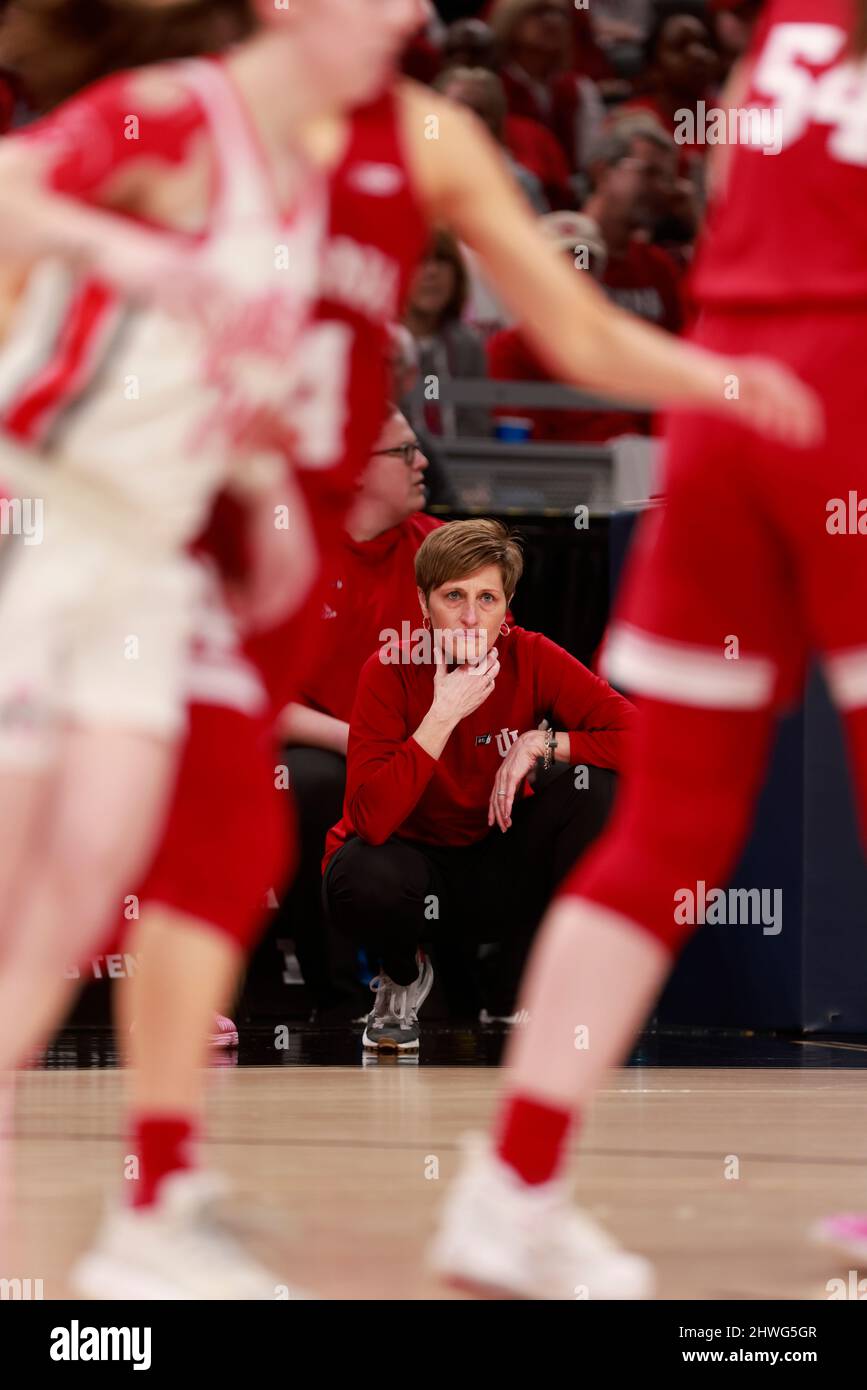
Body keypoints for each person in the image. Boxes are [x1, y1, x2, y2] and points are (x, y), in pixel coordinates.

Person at [18, 0, 818, 1301]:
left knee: (219, 850)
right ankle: (131, 1213)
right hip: (129, 521)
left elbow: (573, 328)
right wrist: (144, 276)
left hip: (249, 544)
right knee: (68, 874)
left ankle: (153, 1204)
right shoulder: (186, 116)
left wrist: (727, 383)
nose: (402, 7)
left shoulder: (428, 141)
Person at [431, 0, 867, 1299]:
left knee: (664, 825)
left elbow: (734, 170)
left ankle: (509, 1192)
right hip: (845, 383)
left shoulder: (794, 17)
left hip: (725, 380)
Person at [324, 518, 635, 1050]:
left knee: (594, 787)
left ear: (506, 606)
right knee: (359, 870)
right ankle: (401, 977)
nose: (471, 617)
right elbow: (370, 820)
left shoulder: (531, 655)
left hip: (498, 859)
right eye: (454, 597)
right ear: (424, 604)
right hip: (412, 869)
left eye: (487, 598)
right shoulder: (390, 668)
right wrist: (441, 717)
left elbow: (644, 737)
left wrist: (544, 743)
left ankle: (561, 986)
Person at [268, 410, 441, 1020]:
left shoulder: (439, 553)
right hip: (331, 749)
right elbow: (262, 702)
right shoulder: (296, 552)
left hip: (426, 746)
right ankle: (339, 1000)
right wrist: (359, 740)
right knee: (316, 781)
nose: (423, 463)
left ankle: (476, 996)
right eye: (405, 453)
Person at [583, 116, 685, 333]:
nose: (660, 189)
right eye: (649, 173)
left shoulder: (660, 269)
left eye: (667, 180)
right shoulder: (559, 252)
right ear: (603, 172)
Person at [403, 229, 491, 437]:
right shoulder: (379, 342)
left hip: (458, 466)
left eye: (442, 261)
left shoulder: (468, 345)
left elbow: (477, 426)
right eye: (420, 260)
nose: (432, 272)